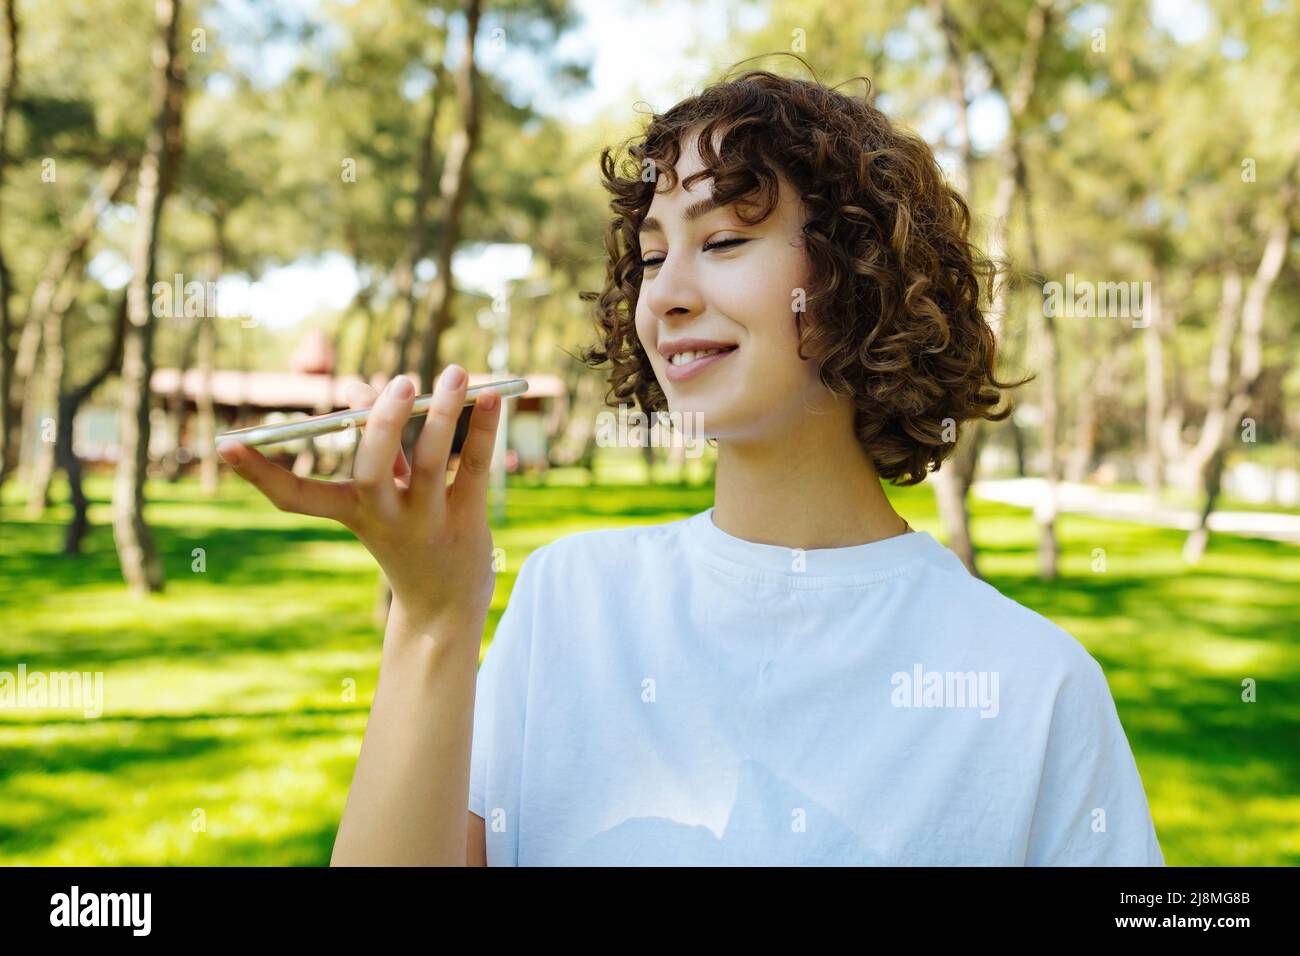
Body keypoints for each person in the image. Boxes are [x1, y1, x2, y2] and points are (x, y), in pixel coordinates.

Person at [218, 61, 1164, 867]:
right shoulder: (566, 601)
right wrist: (430, 621)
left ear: (857, 275)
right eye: (650, 255)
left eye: (721, 242)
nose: (663, 295)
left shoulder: (1037, 686)